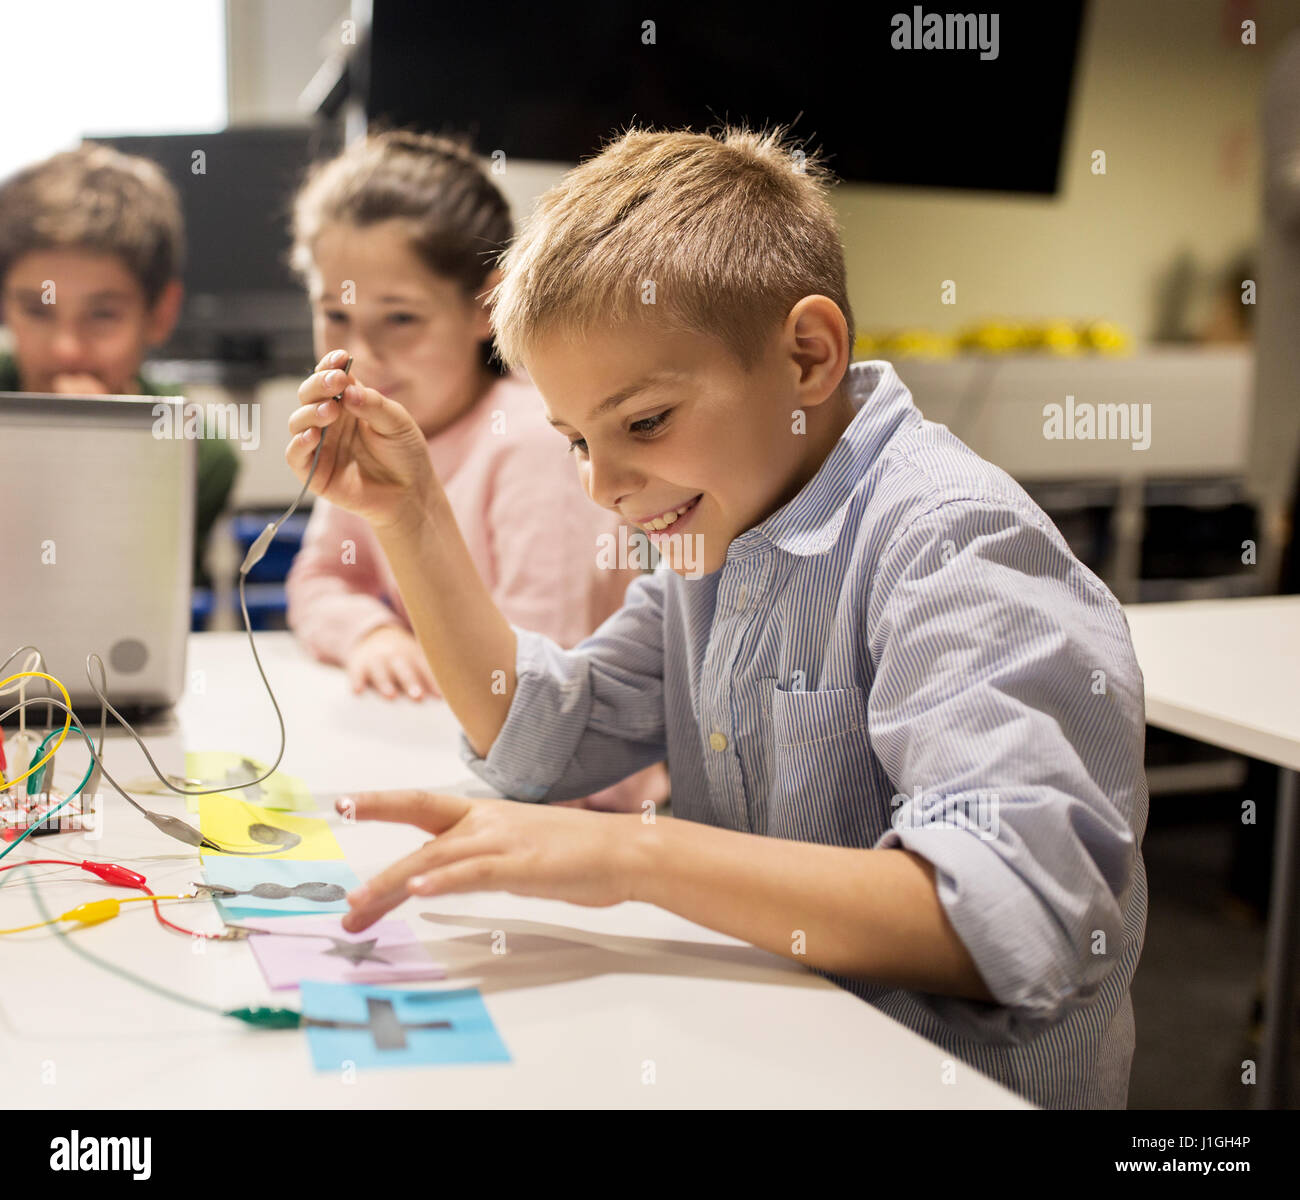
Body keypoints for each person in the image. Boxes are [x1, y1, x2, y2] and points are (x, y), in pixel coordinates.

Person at [285, 126, 1149, 1108]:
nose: (603, 485)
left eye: (643, 422)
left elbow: (1010, 921)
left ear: (809, 355)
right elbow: (545, 737)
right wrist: (411, 515)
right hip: (762, 1054)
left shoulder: (953, 547)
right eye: (573, 440)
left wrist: (630, 854)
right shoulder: (723, 523)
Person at [284, 130, 665, 813]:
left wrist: (427, 657)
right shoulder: (372, 429)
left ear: (486, 308)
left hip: (578, 802)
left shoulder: (528, 442)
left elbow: (535, 688)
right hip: (451, 746)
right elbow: (320, 578)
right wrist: (368, 633)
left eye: (399, 318)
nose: (360, 353)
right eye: (334, 314)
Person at [0, 143, 238, 586]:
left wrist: (113, 469)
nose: (66, 350)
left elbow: (131, 598)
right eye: (37, 310)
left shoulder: (197, 451)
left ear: (161, 313)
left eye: (103, 315)